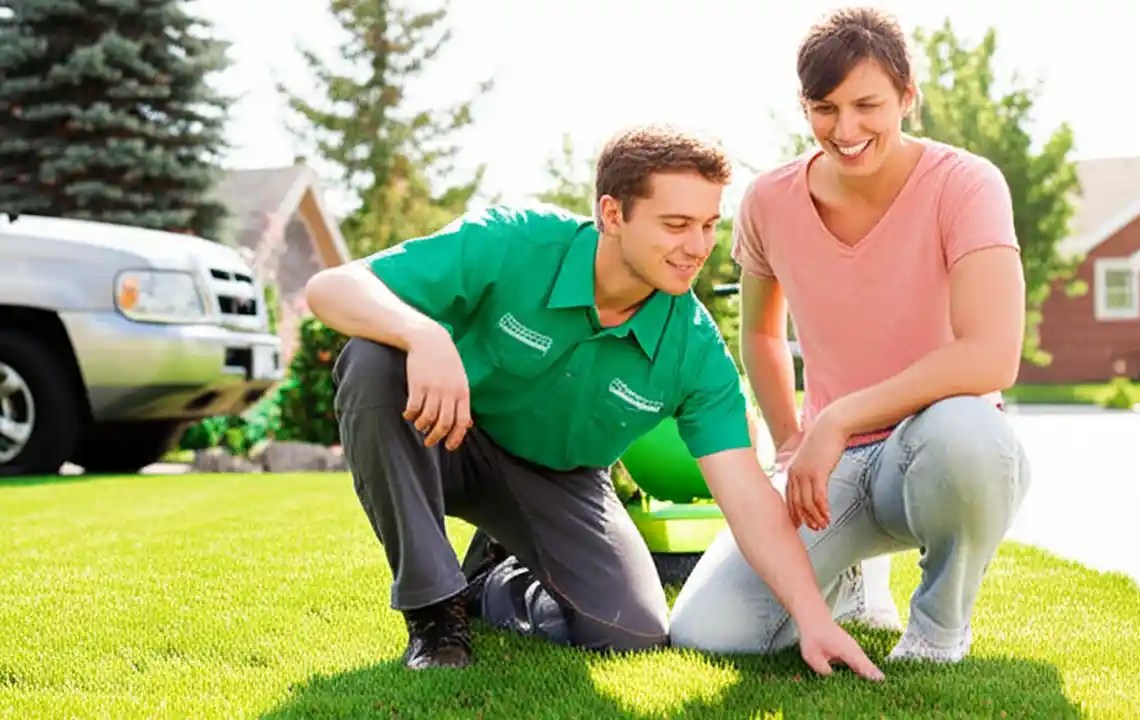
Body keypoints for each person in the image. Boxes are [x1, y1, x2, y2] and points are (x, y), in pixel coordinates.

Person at [304, 123, 885, 680]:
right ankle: (435, 615)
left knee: (629, 631)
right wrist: (423, 335)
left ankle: (495, 578)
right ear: (612, 213)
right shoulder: (514, 241)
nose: (698, 247)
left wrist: (812, 618)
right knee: (373, 361)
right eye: (677, 224)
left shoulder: (695, 350)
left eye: (708, 225)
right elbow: (330, 288)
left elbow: (748, 496)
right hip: (446, 436)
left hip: (562, 478)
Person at [669, 7, 1032, 664]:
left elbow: (991, 356)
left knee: (968, 435)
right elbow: (761, 333)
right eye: (824, 108)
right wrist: (791, 443)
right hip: (830, 468)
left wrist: (837, 418)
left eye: (868, 105)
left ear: (907, 97)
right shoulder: (769, 201)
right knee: (711, 633)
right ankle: (851, 582)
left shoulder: (966, 185)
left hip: (933, 454)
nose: (846, 129)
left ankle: (938, 627)